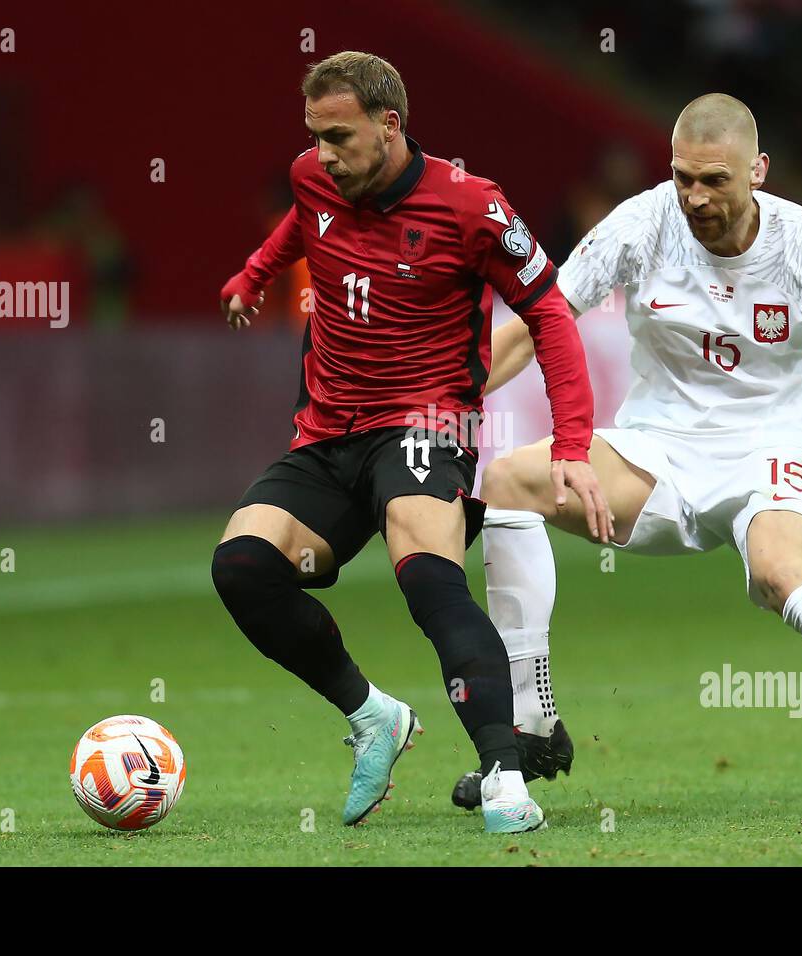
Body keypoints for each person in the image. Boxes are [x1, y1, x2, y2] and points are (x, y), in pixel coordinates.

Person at [452, 93, 802, 816]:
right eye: (684, 177)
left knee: (782, 570)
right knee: (509, 480)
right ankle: (532, 724)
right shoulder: (643, 224)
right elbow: (535, 324)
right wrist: (437, 401)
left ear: (759, 171)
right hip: (658, 448)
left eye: (716, 181)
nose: (696, 197)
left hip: (776, 441)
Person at [212, 51, 609, 833]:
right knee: (244, 568)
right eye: (315, 137)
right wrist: (255, 274)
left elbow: (551, 314)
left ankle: (503, 774)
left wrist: (572, 445)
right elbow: (302, 218)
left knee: (427, 576)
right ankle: (371, 717)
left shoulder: (472, 207)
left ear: (389, 124)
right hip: (327, 430)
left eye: (339, 136)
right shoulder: (314, 176)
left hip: (427, 423)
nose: (323, 155)